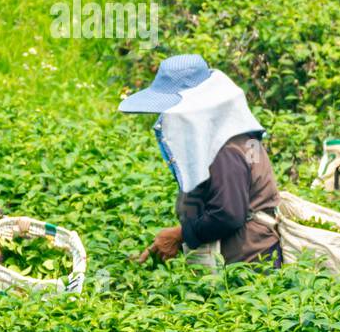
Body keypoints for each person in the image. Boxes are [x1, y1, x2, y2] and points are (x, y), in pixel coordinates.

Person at [119, 54, 282, 268]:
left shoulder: (226, 148)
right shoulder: (228, 133)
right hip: (244, 254)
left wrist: (179, 235)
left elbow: (228, 215)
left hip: (249, 262)